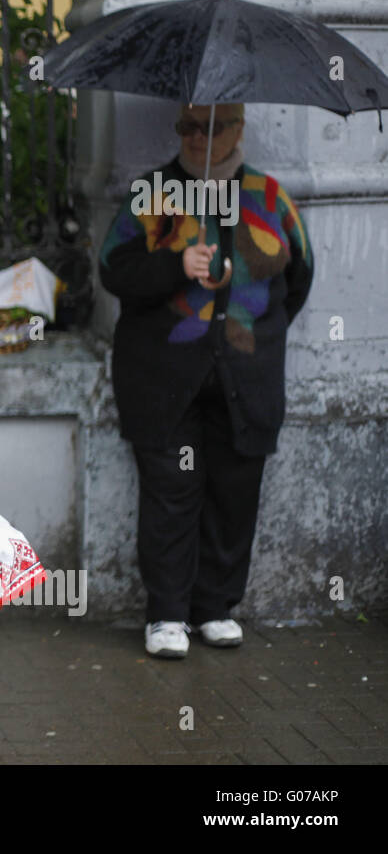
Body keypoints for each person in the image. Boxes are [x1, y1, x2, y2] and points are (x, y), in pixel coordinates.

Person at [99, 102, 313, 659]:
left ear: (238, 129)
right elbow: (113, 270)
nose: (198, 137)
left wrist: (257, 334)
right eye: (188, 127)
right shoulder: (152, 194)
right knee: (171, 491)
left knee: (234, 489)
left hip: (246, 374)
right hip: (163, 376)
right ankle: (167, 613)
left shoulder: (269, 197)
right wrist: (177, 266)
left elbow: (299, 278)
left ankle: (214, 607)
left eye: (211, 126)